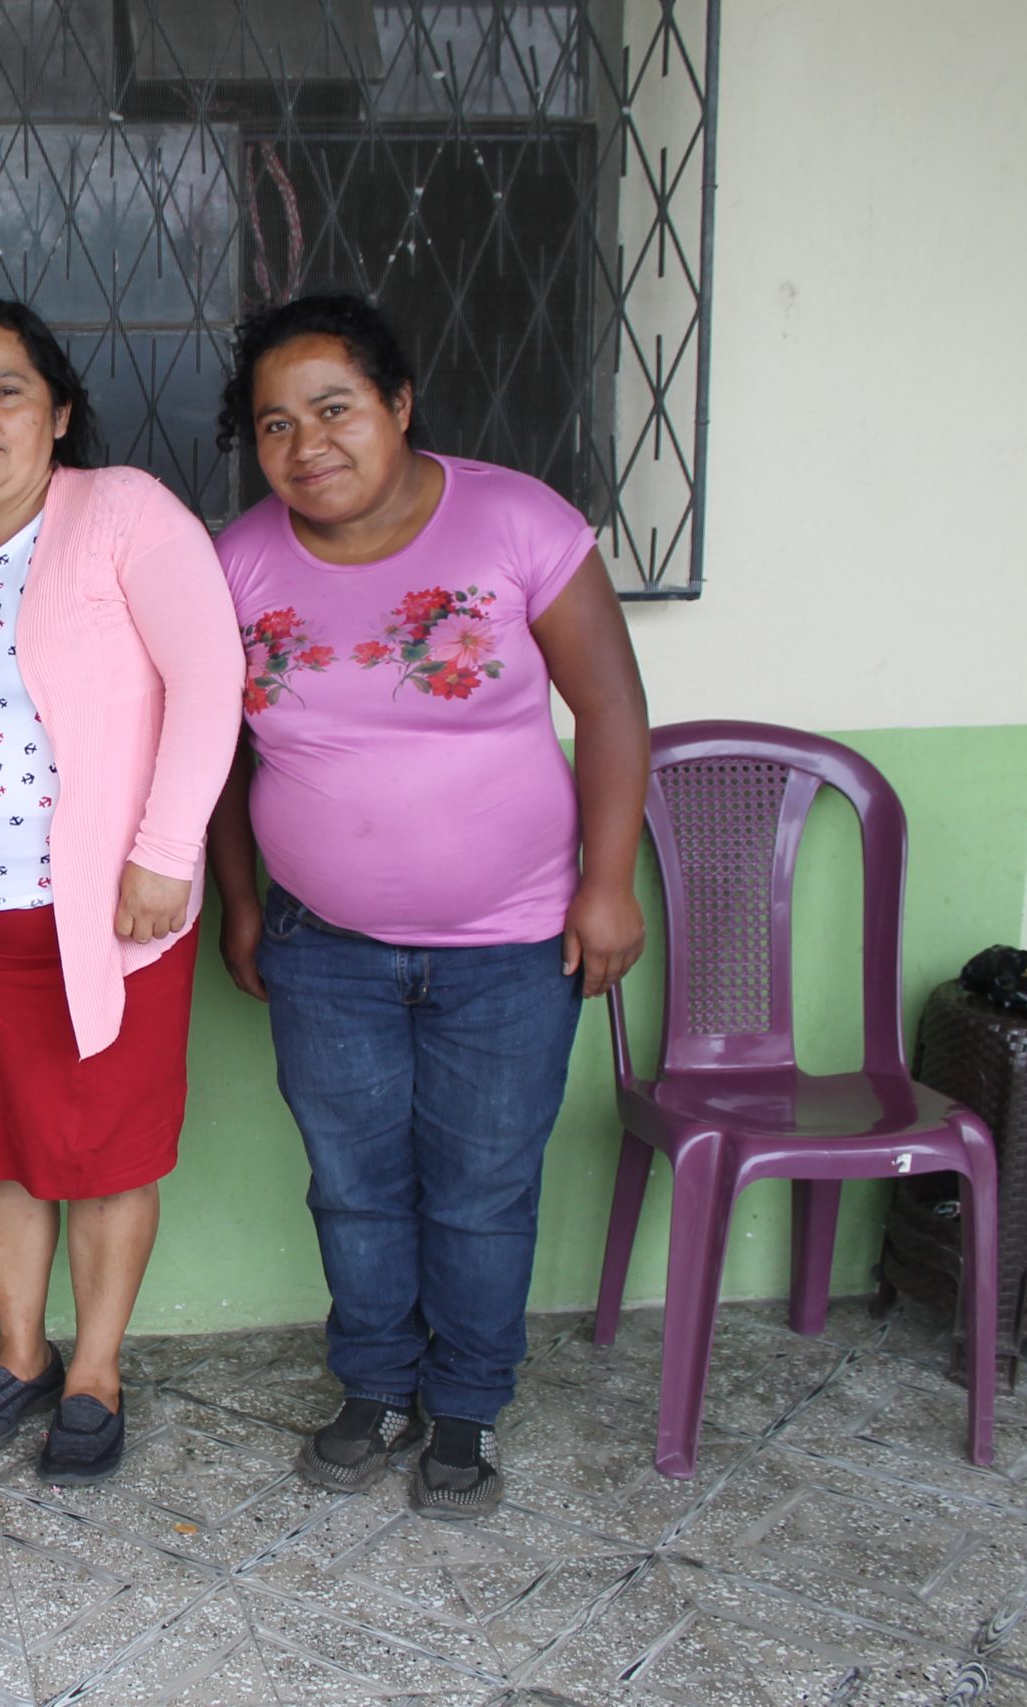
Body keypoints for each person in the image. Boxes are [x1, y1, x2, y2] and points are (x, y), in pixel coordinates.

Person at [207, 293, 650, 1519]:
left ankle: (464, 1406)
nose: (309, 445)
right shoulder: (237, 561)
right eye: (276, 424)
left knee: (481, 1186)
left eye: (336, 409)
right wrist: (243, 904)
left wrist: (607, 886)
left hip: (513, 945)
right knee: (351, 1182)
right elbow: (218, 766)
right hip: (323, 949)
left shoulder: (515, 521)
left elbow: (611, 712)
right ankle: (373, 1386)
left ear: (400, 406)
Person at [0, 298, 245, 1486]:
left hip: (105, 916)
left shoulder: (123, 513)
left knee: (104, 1149)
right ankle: (18, 1351)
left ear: (56, 413)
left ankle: (94, 1368)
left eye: (6, 388)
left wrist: (165, 850)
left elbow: (210, 683)